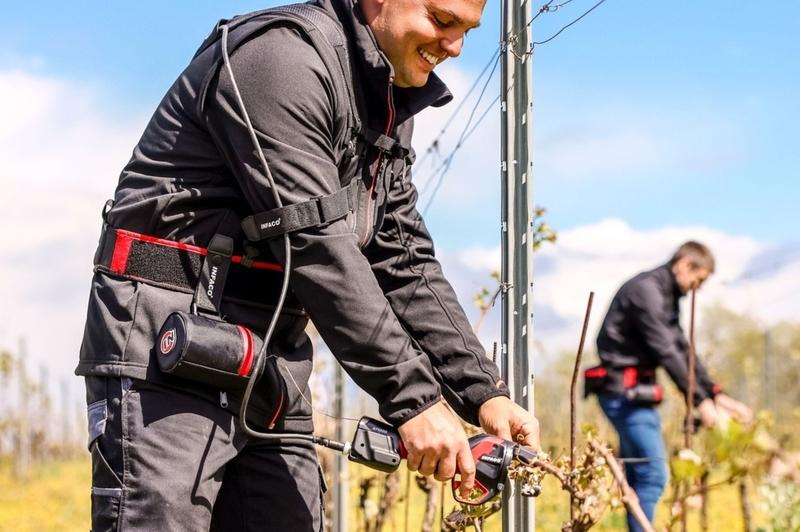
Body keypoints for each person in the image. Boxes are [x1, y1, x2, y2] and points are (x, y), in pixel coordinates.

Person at [76, 0, 540, 530]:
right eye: (442, 20)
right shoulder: (280, 59)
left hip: (270, 354)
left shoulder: (385, 99)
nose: (455, 47)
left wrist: (483, 393)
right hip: (166, 343)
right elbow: (316, 244)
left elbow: (400, 255)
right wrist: (415, 400)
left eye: (467, 30)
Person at [585, 241, 752, 531]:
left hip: (634, 395)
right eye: (697, 280)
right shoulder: (646, 291)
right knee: (652, 475)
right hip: (624, 396)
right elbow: (665, 350)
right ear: (685, 264)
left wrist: (715, 393)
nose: (695, 288)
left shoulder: (664, 293)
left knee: (638, 477)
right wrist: (700, 403)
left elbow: (681, 348)